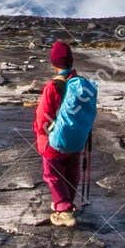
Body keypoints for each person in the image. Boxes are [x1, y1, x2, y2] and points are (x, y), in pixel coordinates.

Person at [33, 39, 85, 226]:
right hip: (77, 137)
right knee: (71, 170)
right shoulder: (81, 84)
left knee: (52, 172)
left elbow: (43, 115)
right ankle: (67, 202)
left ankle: (64, 210)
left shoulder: (53, 87)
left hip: (55, 138)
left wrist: (41, 135)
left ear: (53, 63)